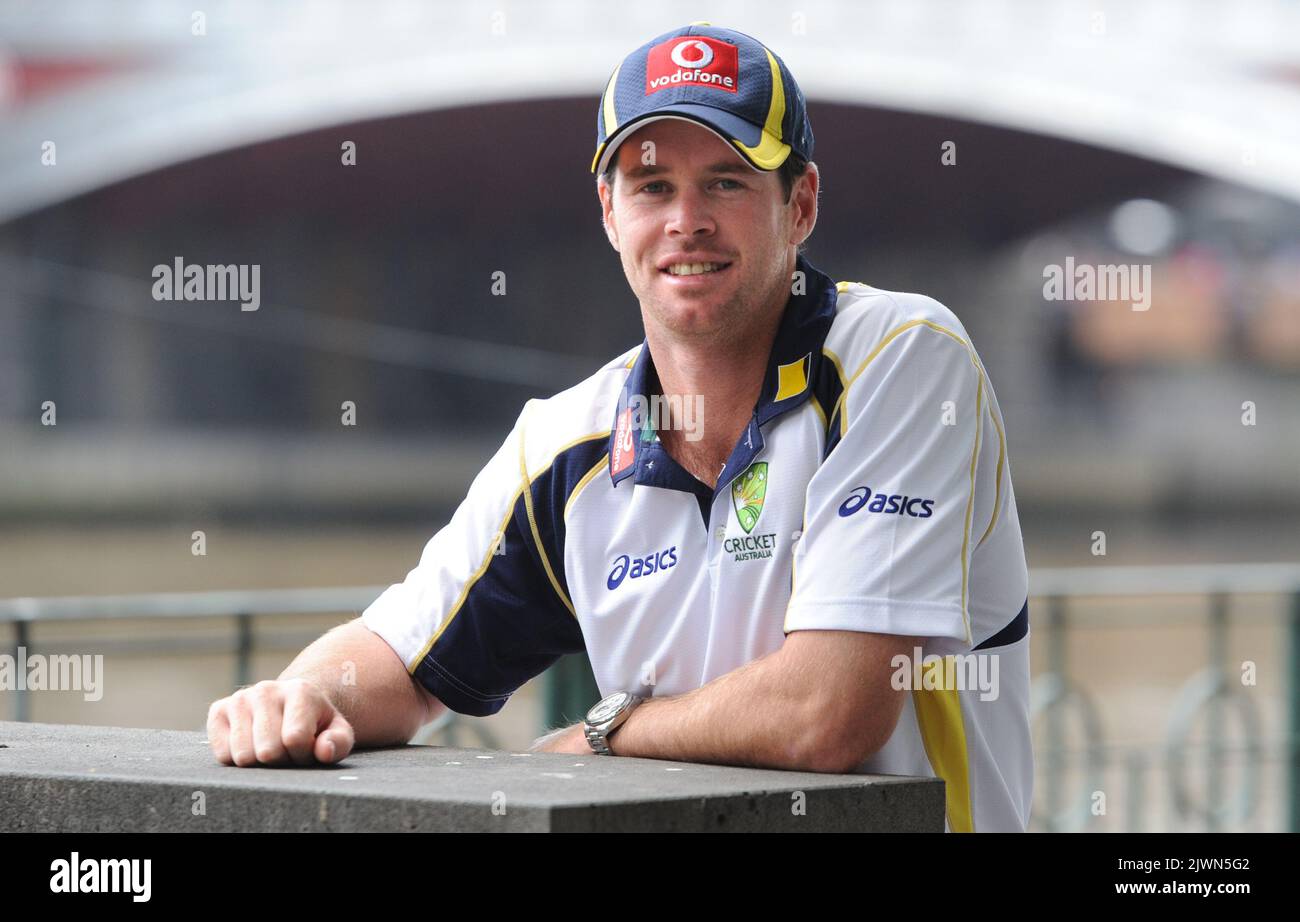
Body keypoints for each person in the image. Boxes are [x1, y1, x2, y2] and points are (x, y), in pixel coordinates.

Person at [206, 23, 1033, 832]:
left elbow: (828, 713)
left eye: (727, 182)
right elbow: (401, 657)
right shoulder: (565, 444)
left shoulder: (901, 358)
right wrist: (300, 696)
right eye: (651, 186)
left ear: (802, 204)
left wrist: (603, 734)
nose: (687, 221)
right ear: (609, 211)